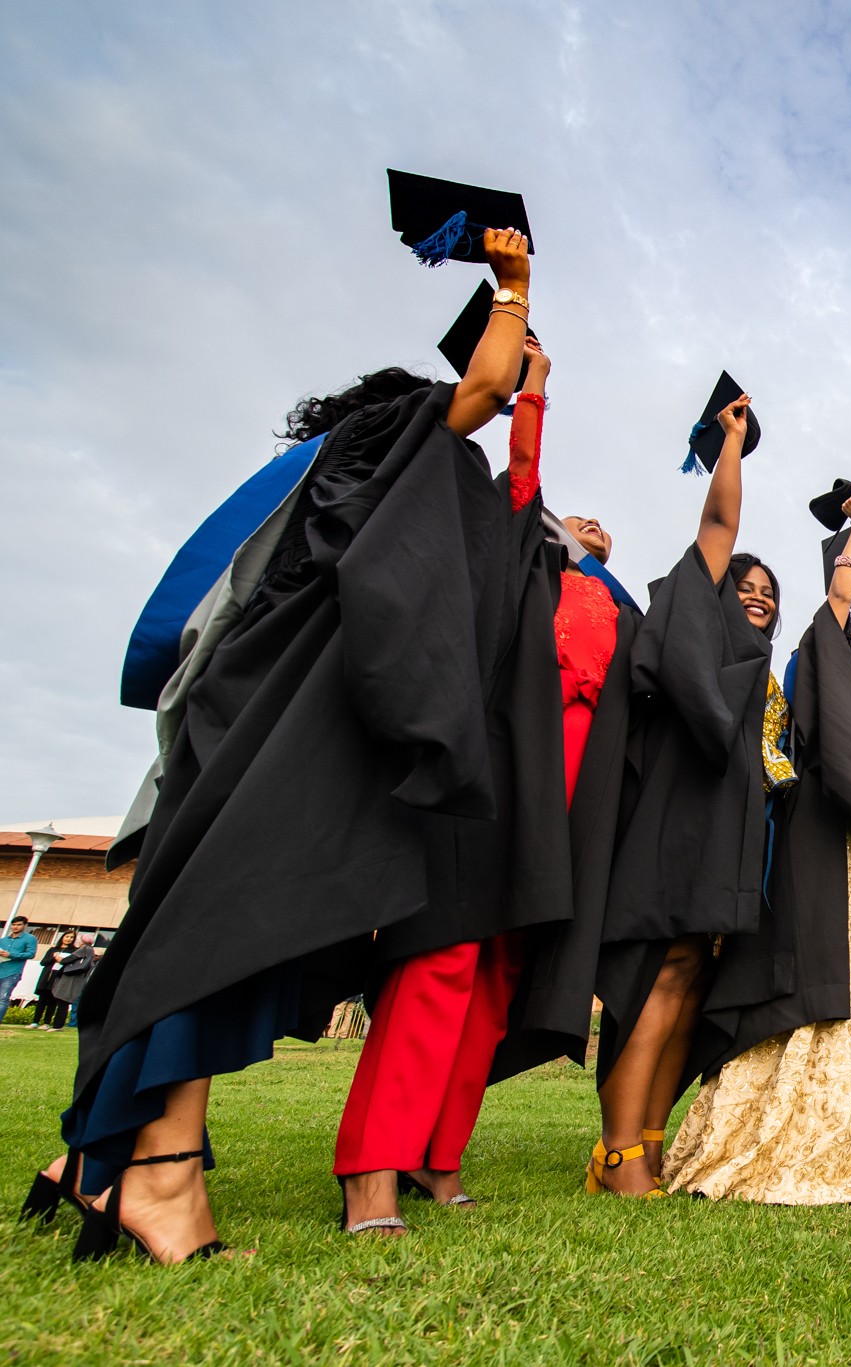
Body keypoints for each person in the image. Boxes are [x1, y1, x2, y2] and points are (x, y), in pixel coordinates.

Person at [34, 226, 540, 1264]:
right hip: (275, 723)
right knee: (219, 928)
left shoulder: (320, 478)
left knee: (190, 916)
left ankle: (91, 1162)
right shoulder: (393, 435)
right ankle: (160, 1180)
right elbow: (486, 387)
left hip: (244, 707)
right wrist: (515, 287)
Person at [332, 323, 646, 1230]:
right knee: (442, 957)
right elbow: (518, 479)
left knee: (499, 972)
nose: (587, 526)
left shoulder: (610, 604)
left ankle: (440, 1155)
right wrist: (536, 386)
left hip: (562, 807)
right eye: (568, 517)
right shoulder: (520, 561)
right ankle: (372, 1165)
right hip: (492, 769)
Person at [664, 487, 851, 1204]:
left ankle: (843, 1129)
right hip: (808, 825)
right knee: (814, 959)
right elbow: (839, 597)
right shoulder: (814, 649)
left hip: (842, 839)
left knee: (850, 962)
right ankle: (774, 1129)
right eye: (843, 640)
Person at [589, 386, 771, 1198]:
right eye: (746, 585)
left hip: (724, 831)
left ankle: (653, 1140)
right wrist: (732, 443)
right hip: (676, 817)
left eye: (770, 591)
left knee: (693, 978)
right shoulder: (693, 616)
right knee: (662, 977)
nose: (758, 595)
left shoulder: (756, 668)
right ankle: (617, 1150)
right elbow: (718, 530)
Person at [1, 917, 38, 1011]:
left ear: (25, 925)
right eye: (13, 925)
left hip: (12, 973)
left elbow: (31, 954)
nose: (15, 927)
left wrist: (11, 954)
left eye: (19, 925)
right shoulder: (4, 940)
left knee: (2, 998)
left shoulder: (30, 938)